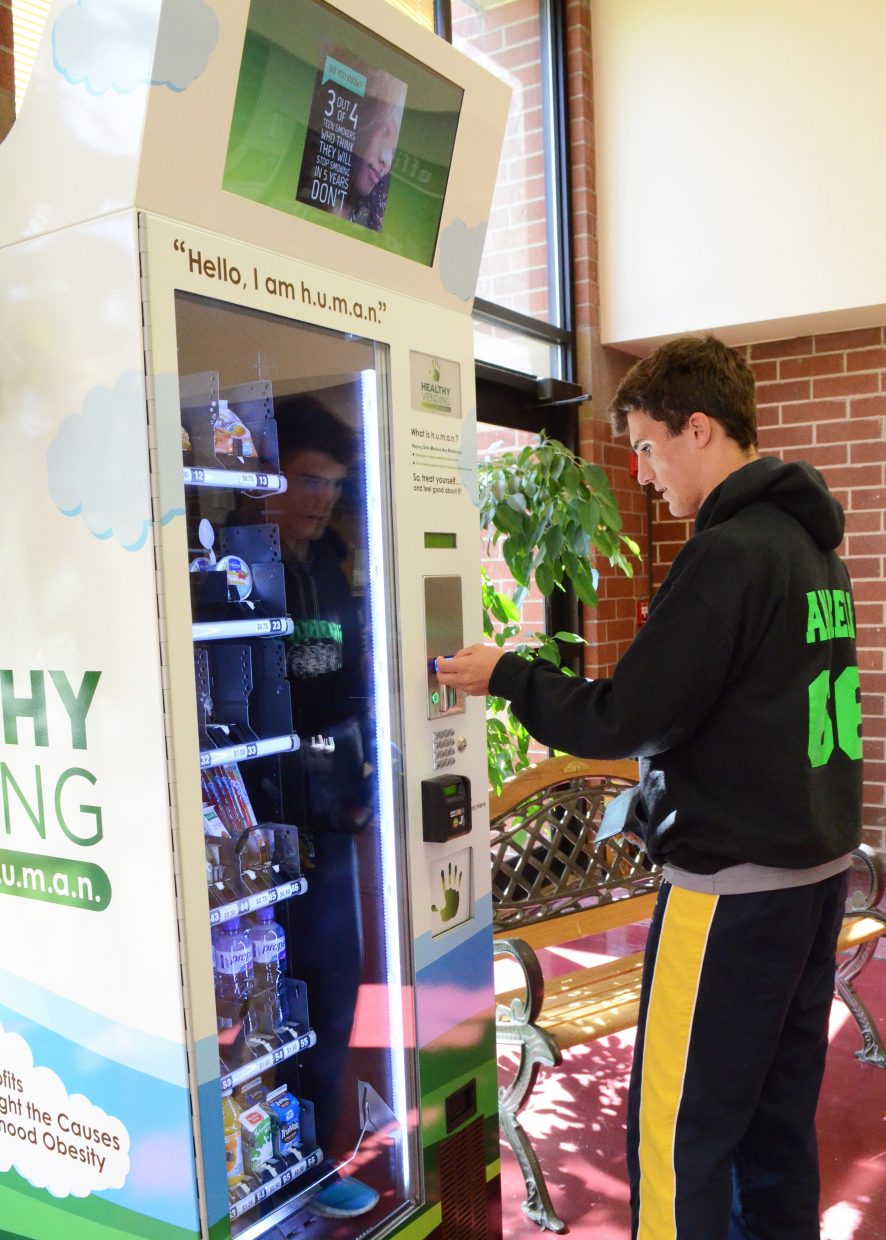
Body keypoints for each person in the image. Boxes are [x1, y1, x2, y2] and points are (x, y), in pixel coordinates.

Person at [436, 335, 863, 1240]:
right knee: (775, 1125)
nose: (638, 469)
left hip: (733, 894)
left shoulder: (731, 553)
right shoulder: (814, 548)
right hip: (814, 878)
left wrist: (506, 674)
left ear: (698, 428)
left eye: (643, 444)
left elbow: (623, 716)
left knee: (679, 1132)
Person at [268, 396, 379, 1220]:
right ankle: (273, 1164)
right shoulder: (227, 575)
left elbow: (345, 685)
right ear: (259, 483)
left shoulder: (334, 565)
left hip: (332, 816)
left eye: (333, 486)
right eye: (307, 480)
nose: (320, 500)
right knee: (274, 997)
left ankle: (312, 1159)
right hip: (262, 825)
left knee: (334, 984)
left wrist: (365, 776)